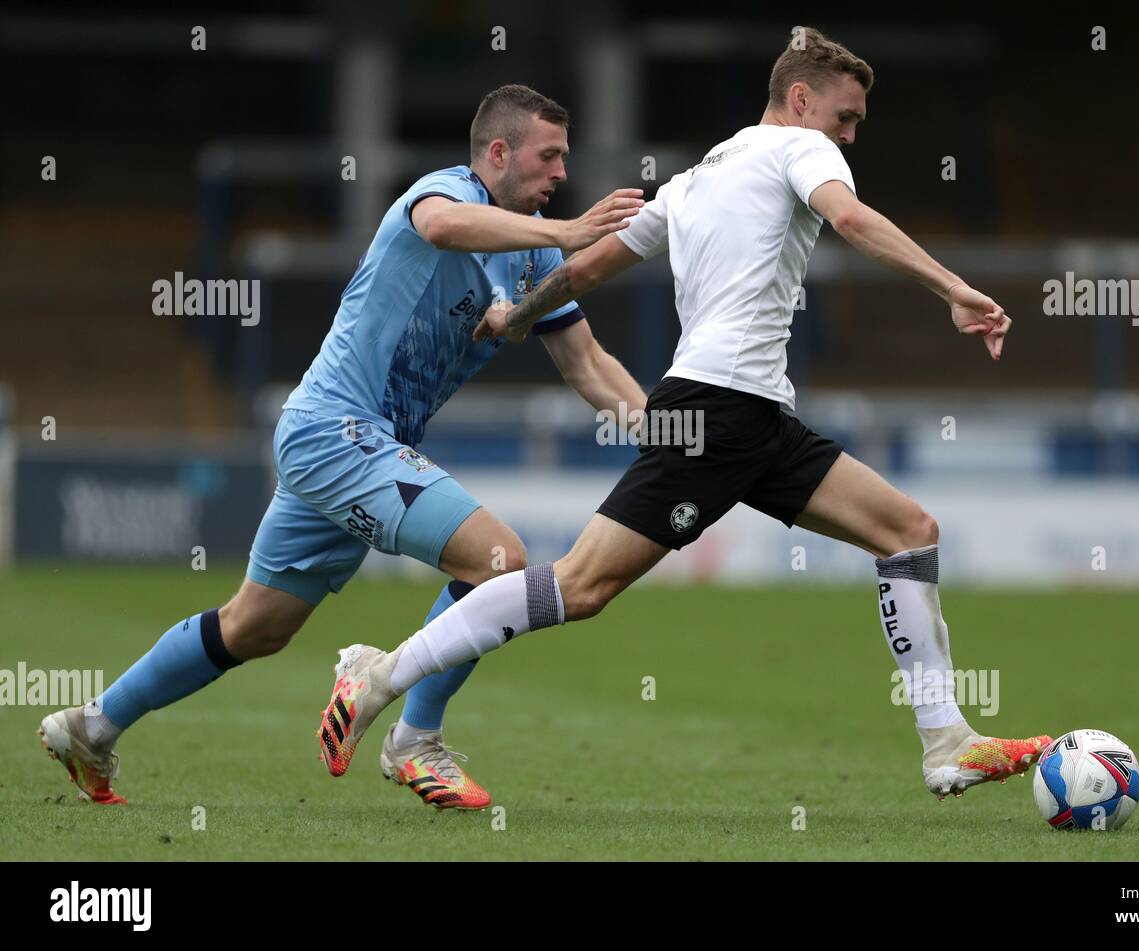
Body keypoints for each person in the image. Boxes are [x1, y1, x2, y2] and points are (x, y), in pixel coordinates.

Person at [316, 30, 1050, 802]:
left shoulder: (699, 175)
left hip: (757, 415)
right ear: (800, 101)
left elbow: (589, 267)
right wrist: (952, 288)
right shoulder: (804, 150)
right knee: (582, 585)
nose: (850, 134)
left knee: (909, 532)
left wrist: (515, 318)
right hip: (720, 408)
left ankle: (946, 742)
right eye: (846, 115)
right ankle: (379, 676)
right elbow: (851, 220)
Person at [39, 84, 647, 809]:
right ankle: (414, 739)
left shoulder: (529, 256)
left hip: (341, 442)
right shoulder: (445, 193)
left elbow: (587, 364)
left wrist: (669, 431)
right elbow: (446, 227)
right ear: (497, 153)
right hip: (338, 428)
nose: (558, 174)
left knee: (254, 626)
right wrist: (571, 231)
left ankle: (92, 724)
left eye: (564, 160)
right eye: (548, 158)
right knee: (498, 560)